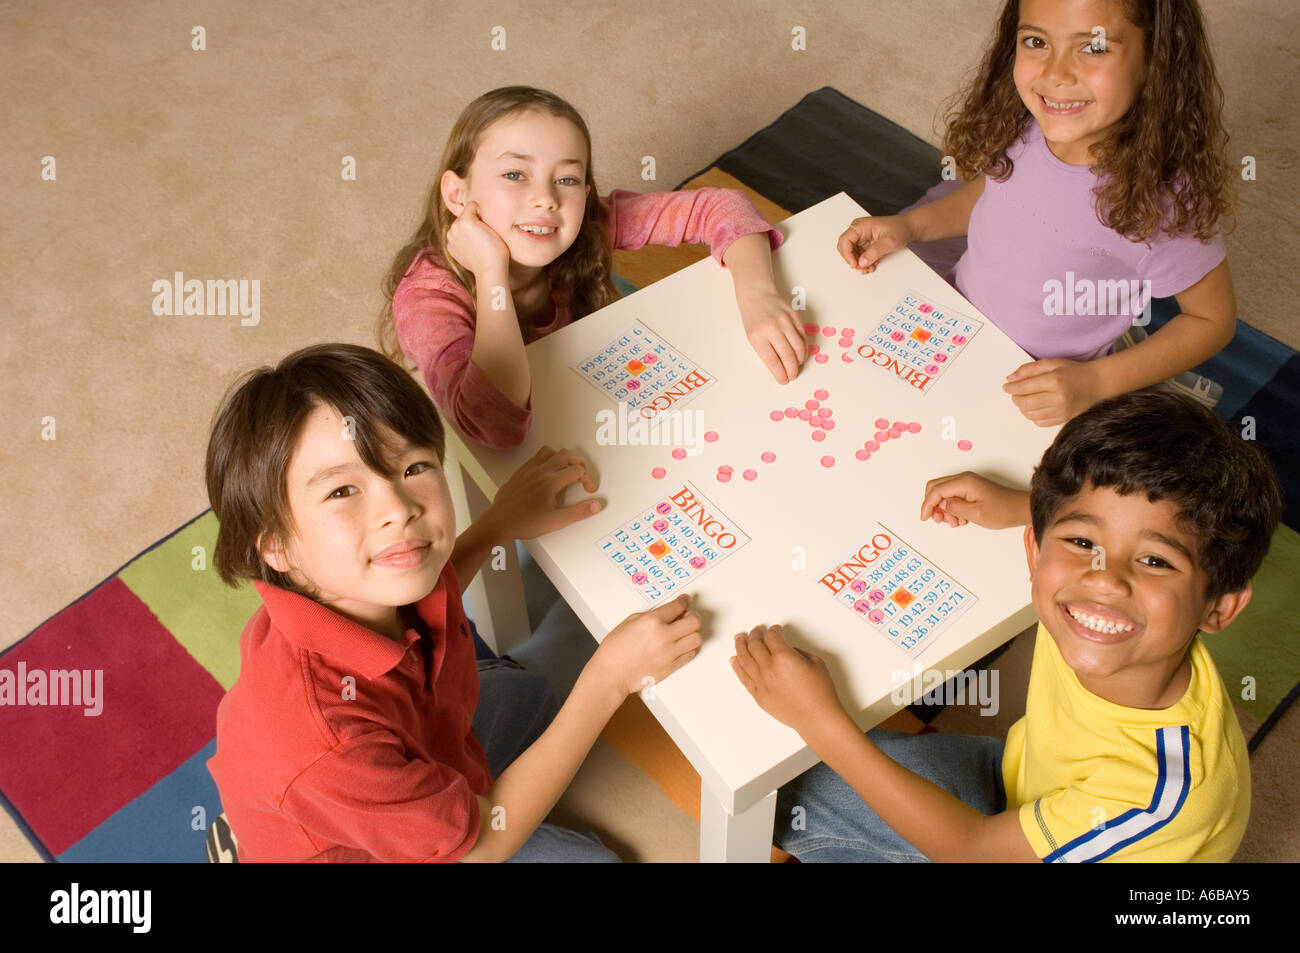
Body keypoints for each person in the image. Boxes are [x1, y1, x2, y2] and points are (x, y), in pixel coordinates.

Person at [733, 389, 1281, 861]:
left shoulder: (1161, 790)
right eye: (1082, 541)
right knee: (784, 784)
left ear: (1219, 607)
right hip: (1024, 786)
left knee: (805, 767)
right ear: (1035, 551)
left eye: (1156, 561)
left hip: (1004, 846)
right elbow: (1111, 528)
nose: (1104, 579)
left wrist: (818, 719)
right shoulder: (1104, 615)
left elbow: (974, 852)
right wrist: (1025, 506)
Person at [205, 343, 702, 861]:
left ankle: (301, 811)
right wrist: (610, 679)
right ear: (275, 546)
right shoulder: (328, 743)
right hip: (379, 823)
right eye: (341, 492)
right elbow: (484, 845)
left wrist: (498, 523)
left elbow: (433, 590)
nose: (397, 509)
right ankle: (264, 836)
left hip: (407, 746)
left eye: (413, 467)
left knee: (531, 695)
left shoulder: (357, 582)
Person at [837, 0, 1235, 425]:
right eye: (1036, 41)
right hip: (960, 326)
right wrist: (910, 226)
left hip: (1046, 387)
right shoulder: (1025, 123)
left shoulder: (1161, 203)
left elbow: (1211, 319)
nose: (1055, 74)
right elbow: (993, 196)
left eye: (1093, 47)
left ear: (1156, 60)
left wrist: (1096, 382)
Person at [379, 85, 805, 449]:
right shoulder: (425, 300)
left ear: (585, 190)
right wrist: (490, 273)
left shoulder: (588, 223)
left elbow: (722, 206)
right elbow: (497, 427)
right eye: (514, 174)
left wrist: (759, 296)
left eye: (565, 180)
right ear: (457, 194)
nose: (545, 198)